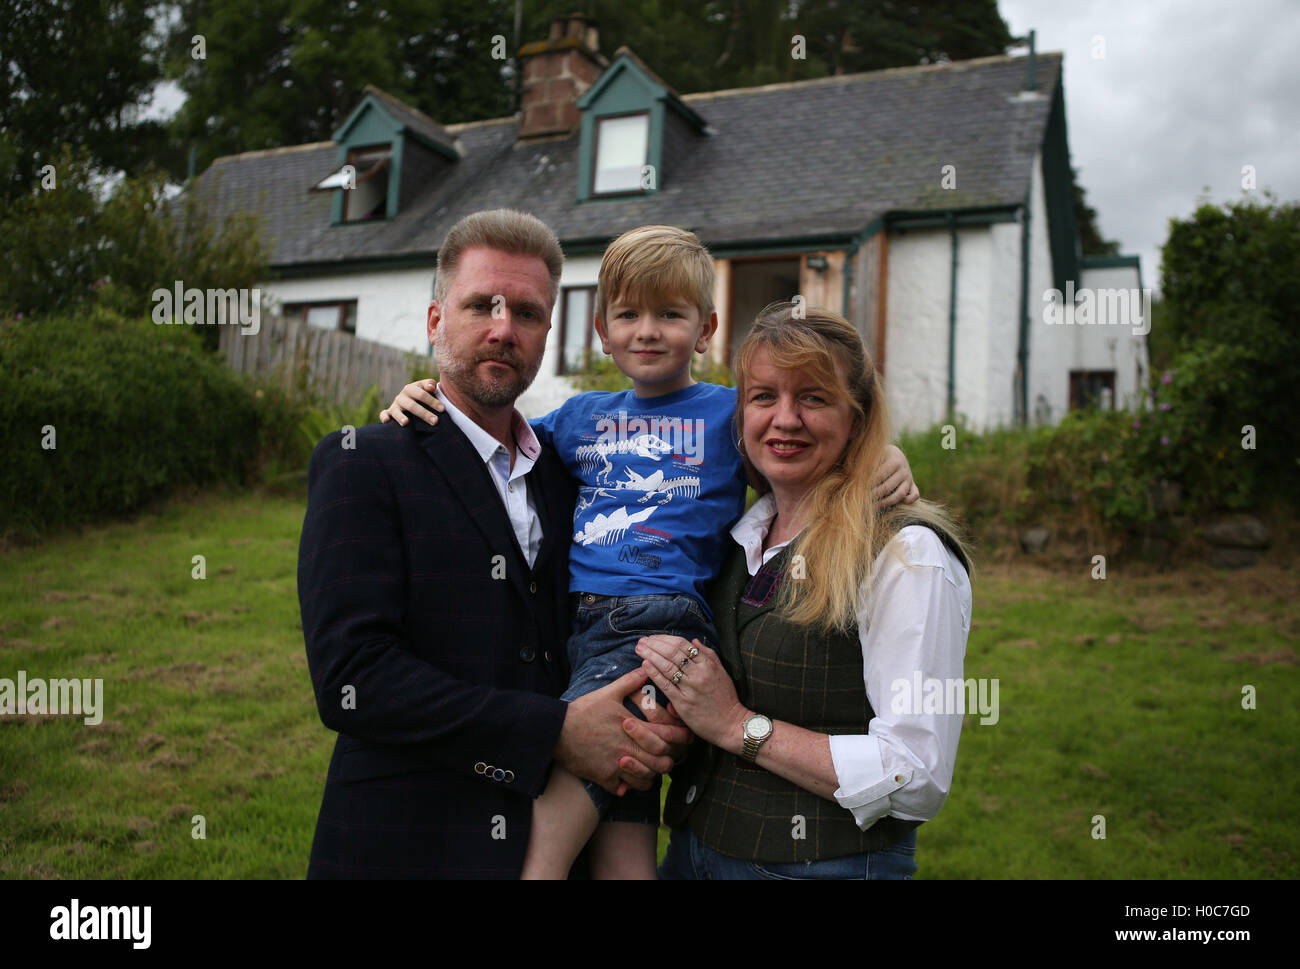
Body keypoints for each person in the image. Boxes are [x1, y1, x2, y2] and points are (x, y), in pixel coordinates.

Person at [380, 227, 920, 878]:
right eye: (629, 314)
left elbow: (801, 452)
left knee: (565, 790)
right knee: (626, 805)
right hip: (580, 624)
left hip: (657, 624)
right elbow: (496, 448)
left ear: (706, 327)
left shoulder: (727, 415)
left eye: (670, 314)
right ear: (602, 331)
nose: (648, 330)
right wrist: (424, 394)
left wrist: (881, 453)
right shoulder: (580, 417)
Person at [298, 209, 689, 879]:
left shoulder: (575, 474)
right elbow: (353, 678)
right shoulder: (364, 462)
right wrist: (553, 731)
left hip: (560, 849)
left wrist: (879, 459)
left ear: (546, 332)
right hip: (405, 847)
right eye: (483, 304)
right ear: (434, 321)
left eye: (529, 313)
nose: (504, 329)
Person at [639, 301, 973, 880]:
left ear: (858, 418)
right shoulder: (733, 534)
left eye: (814, 398)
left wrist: (736, 726)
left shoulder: (905, 553)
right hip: (694, 853)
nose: (785, 419)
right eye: (764, 396)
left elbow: (915, 772)